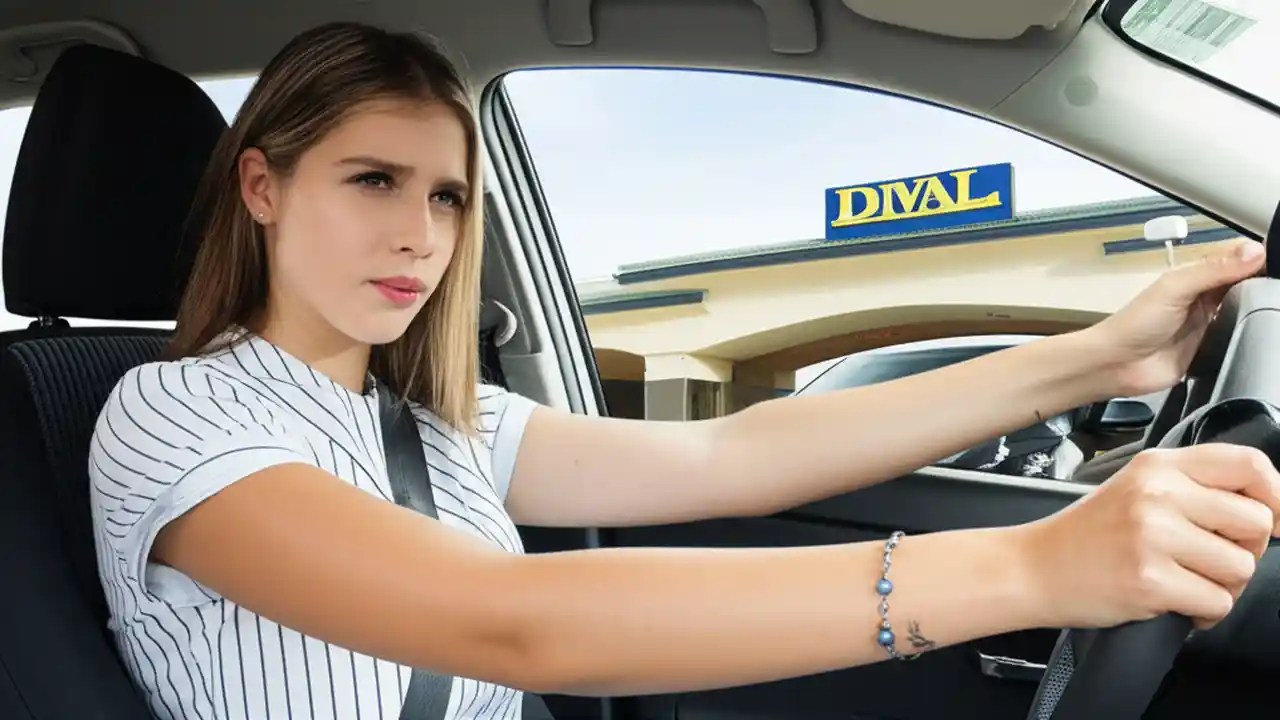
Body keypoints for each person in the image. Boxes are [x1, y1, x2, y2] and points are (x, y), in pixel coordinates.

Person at [88, 20, 1280, 720]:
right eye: (372, 182)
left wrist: (1097, 356)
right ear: (261, 189)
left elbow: (732, 452)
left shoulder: (438, 422)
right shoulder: (172, 412)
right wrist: (1028, 566)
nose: (422, 235)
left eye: (448, 195)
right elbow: (506, 625)